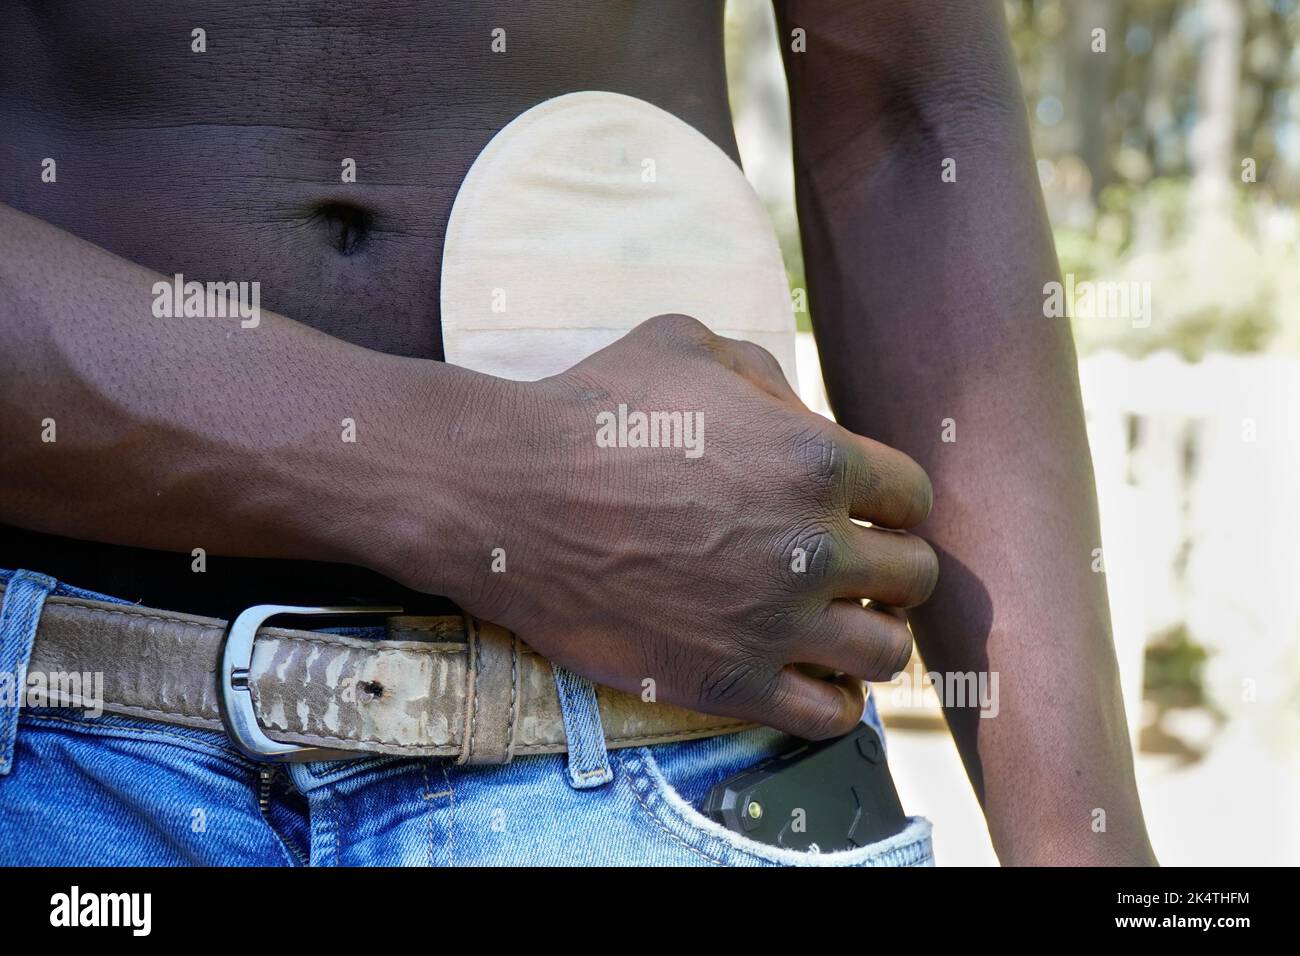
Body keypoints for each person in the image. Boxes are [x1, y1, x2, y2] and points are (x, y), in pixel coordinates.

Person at [0, 0, 1155, 866]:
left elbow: (905, 124)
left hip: (671, 743)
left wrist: (1087, 856)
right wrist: (473, 485)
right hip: (51, 756)